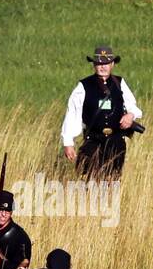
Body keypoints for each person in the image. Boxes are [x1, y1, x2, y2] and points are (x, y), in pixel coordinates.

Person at [61, 45, 143, 178]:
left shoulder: (119, 83)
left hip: (116, 142)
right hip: (93, 141)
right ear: (94, 65)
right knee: (89, 180)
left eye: (106, 63)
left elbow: (132, 106)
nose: (102, 67)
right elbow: (72, 114)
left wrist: (130, 115)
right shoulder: (83, 86)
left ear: (112, 64)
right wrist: (68, 142)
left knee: (113, 181)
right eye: (99, 63)